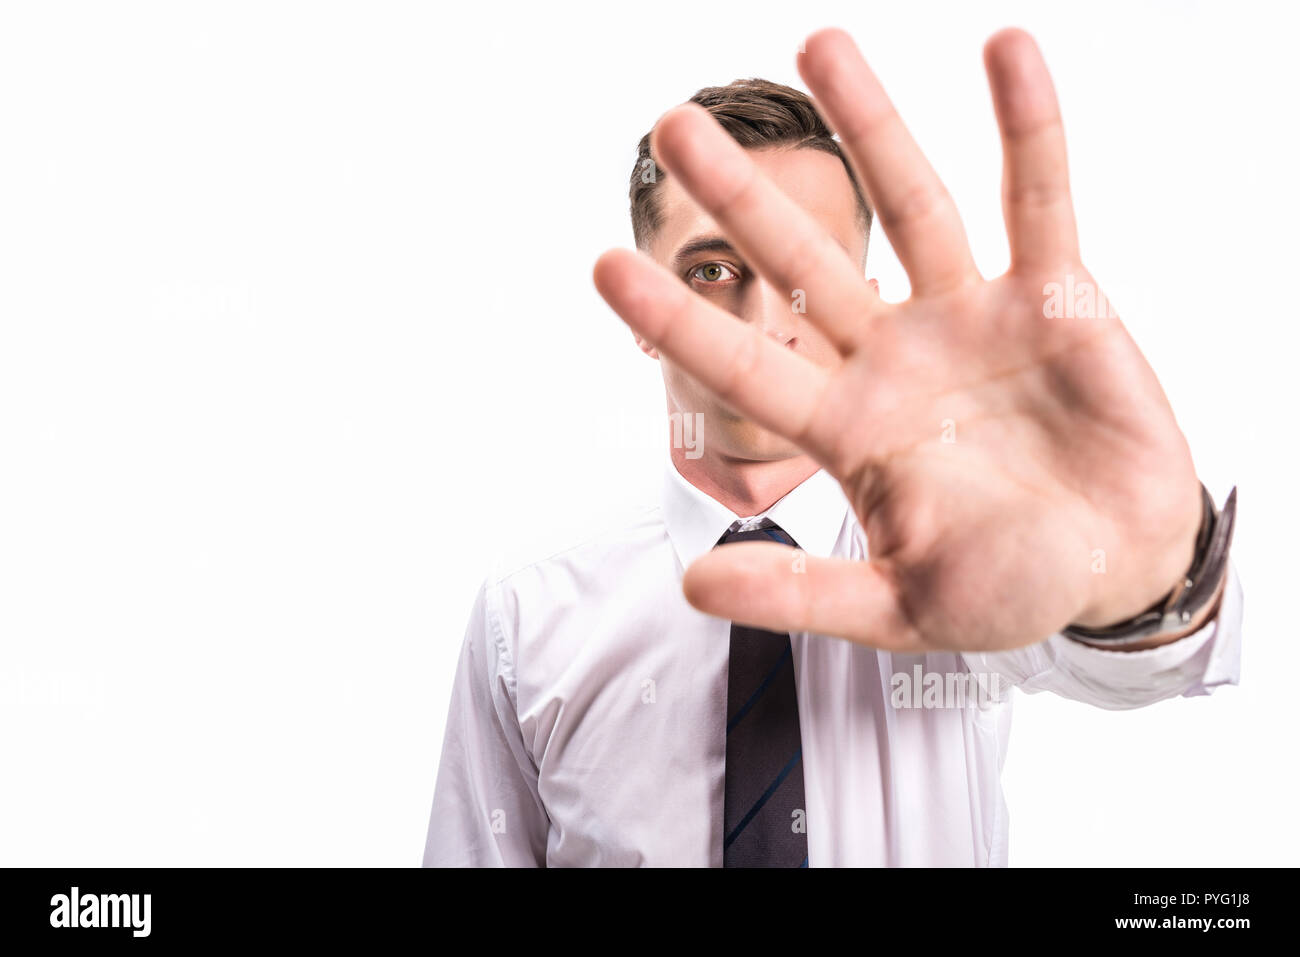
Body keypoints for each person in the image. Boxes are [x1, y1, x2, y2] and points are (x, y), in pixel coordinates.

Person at [421, 26, 1242, 867]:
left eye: (805, 278)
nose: (764, 324)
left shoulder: (965, 537)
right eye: (711, 271)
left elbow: (1155, 669)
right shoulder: (528, 610)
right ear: (642, 314)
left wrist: (1141, 574)